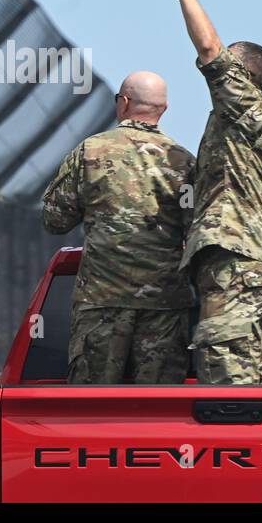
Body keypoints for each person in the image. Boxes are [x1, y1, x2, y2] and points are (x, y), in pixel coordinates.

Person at [165, 0, 262, 384]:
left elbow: (209, 52)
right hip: (244, 264)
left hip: (237, 265)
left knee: (231, 389)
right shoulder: (248, 124)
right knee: (246, 382)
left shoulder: (248, 111)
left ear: (244, 79)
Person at [41, 71, 196, 383]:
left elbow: (54, 219)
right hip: (164, 306)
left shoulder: (90, 151)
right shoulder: (184, 161)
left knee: (92, 409)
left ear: (123, 103)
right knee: (158, 410)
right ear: (163, 109)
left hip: (102, 302)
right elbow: (196, 228)